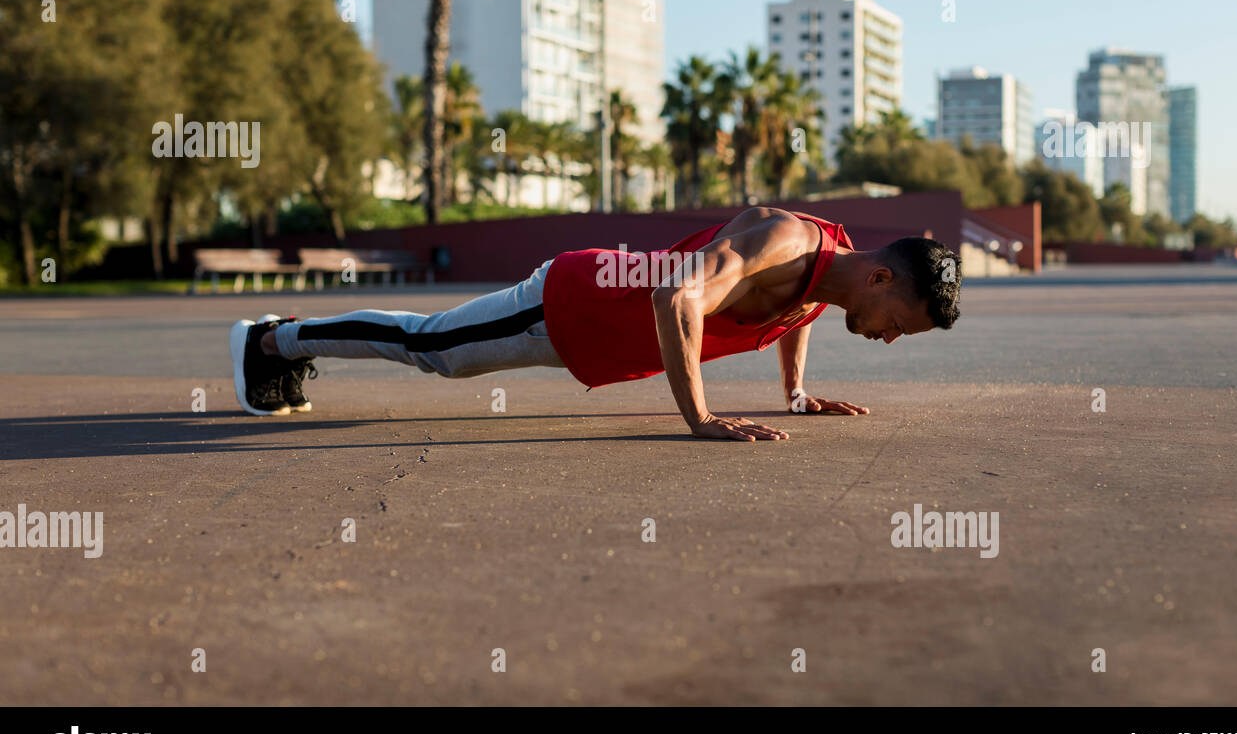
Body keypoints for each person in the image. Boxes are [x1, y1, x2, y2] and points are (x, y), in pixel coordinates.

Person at [229, 206, 961, 441]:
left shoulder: (829, 283)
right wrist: (700, 419)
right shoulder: (784, 238)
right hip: (571, 306)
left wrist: (796, 396)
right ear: (880, 277)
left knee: (435, 350)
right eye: (899, 323)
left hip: (597, 345)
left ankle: (279, 339)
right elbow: (676, 296)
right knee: (433, 350)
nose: (891, 337)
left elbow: (797, 311)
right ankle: (271, 340)